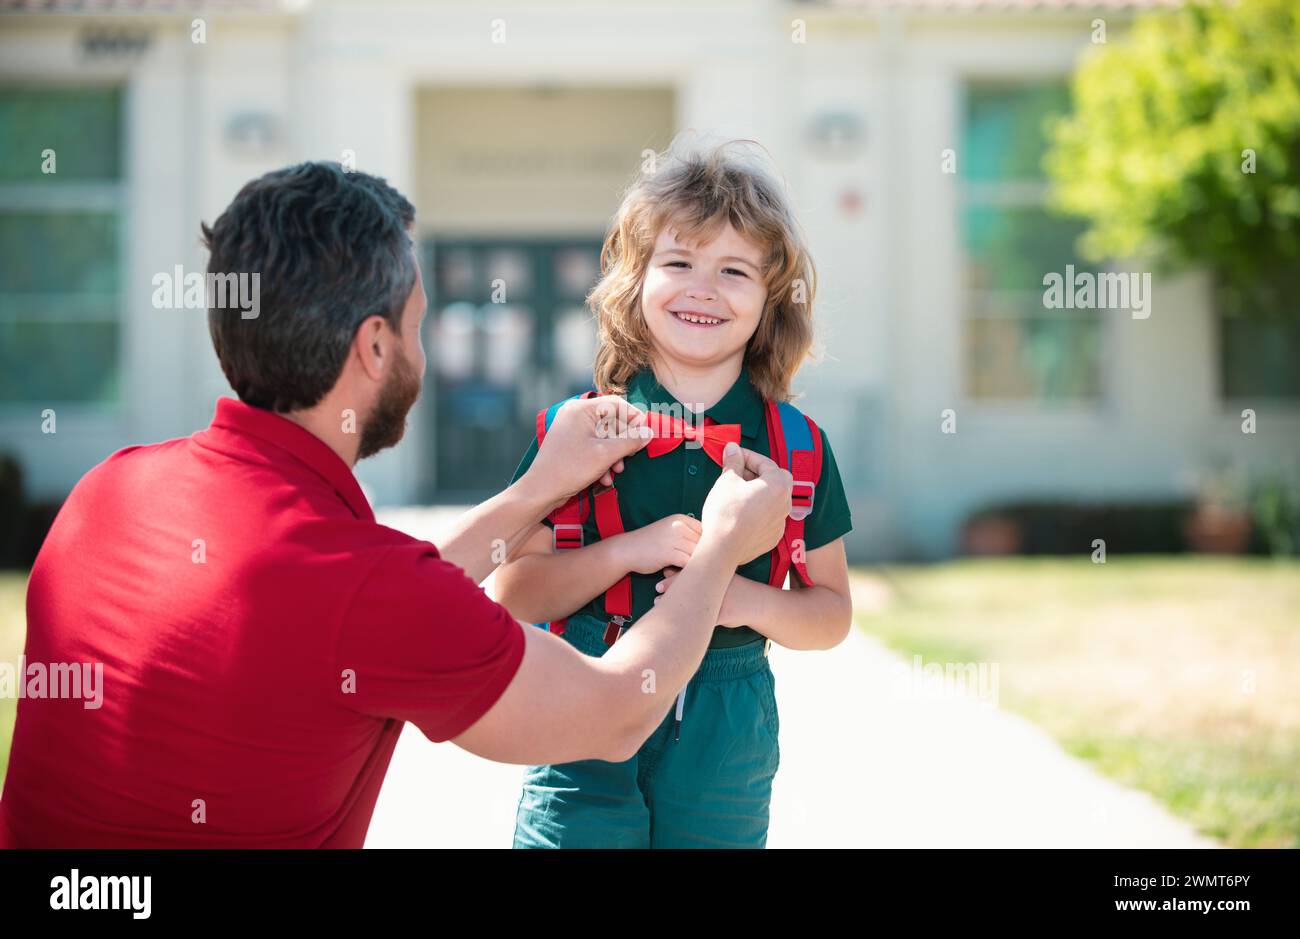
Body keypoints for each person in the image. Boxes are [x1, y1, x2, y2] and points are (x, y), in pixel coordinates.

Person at [0, 161, 793, 848]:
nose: (425, 349)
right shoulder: (366, 591)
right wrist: (722, 544)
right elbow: (619, 711)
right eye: (418, 325)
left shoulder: (107, 489)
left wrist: (536, 490)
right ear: (374, 348)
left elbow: (354, 606)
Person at [496, 141, 854, 848]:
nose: (704, 288)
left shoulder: (796, 447)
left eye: (734, 270)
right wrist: (629, 551)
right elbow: (515, 592)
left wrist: (737, 599)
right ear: (635, 280)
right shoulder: (578, 430)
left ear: (770, 298)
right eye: (679, 262)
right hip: (583, 689)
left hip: (726, 716)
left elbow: (832, 613)